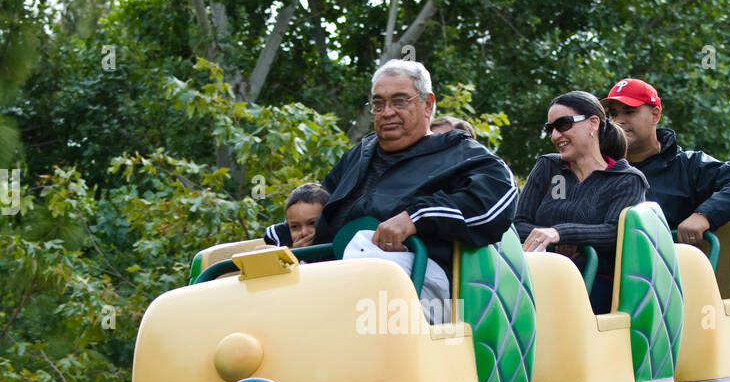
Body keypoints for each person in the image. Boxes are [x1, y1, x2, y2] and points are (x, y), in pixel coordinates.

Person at [312, 60, 517, 287]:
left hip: (419, 284)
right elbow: (318, 204)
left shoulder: (458, 153)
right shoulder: (357, 156)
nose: (387, 112)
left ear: (428, 104)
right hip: (335, 274)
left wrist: (414, 217)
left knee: (367, 265)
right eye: (378, 104)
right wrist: (278, 242)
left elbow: (499, 199)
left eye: (399, 101)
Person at [513, 91, 646, 312]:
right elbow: (519, 223)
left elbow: (615, 232)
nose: (555, 135)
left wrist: (560, 233)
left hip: (595, 281)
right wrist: (555, 240)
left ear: (593, 123)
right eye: (550, 128)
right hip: (540, 275)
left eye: (563, 124)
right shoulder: (549, 167)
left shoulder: (627, 179)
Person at [602, 77, 730, 247]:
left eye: (629, 111)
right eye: (613, 114)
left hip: (663, 269)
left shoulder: (689, 166)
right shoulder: (599, 165)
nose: (618, 121)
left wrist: (704, 215)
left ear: (655, 115)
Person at [263, 182, 329, 249]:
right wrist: (294, 252)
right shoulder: (284, 246)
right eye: (294, 226)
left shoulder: (338, 248)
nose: (304, 233)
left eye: (312, 223)